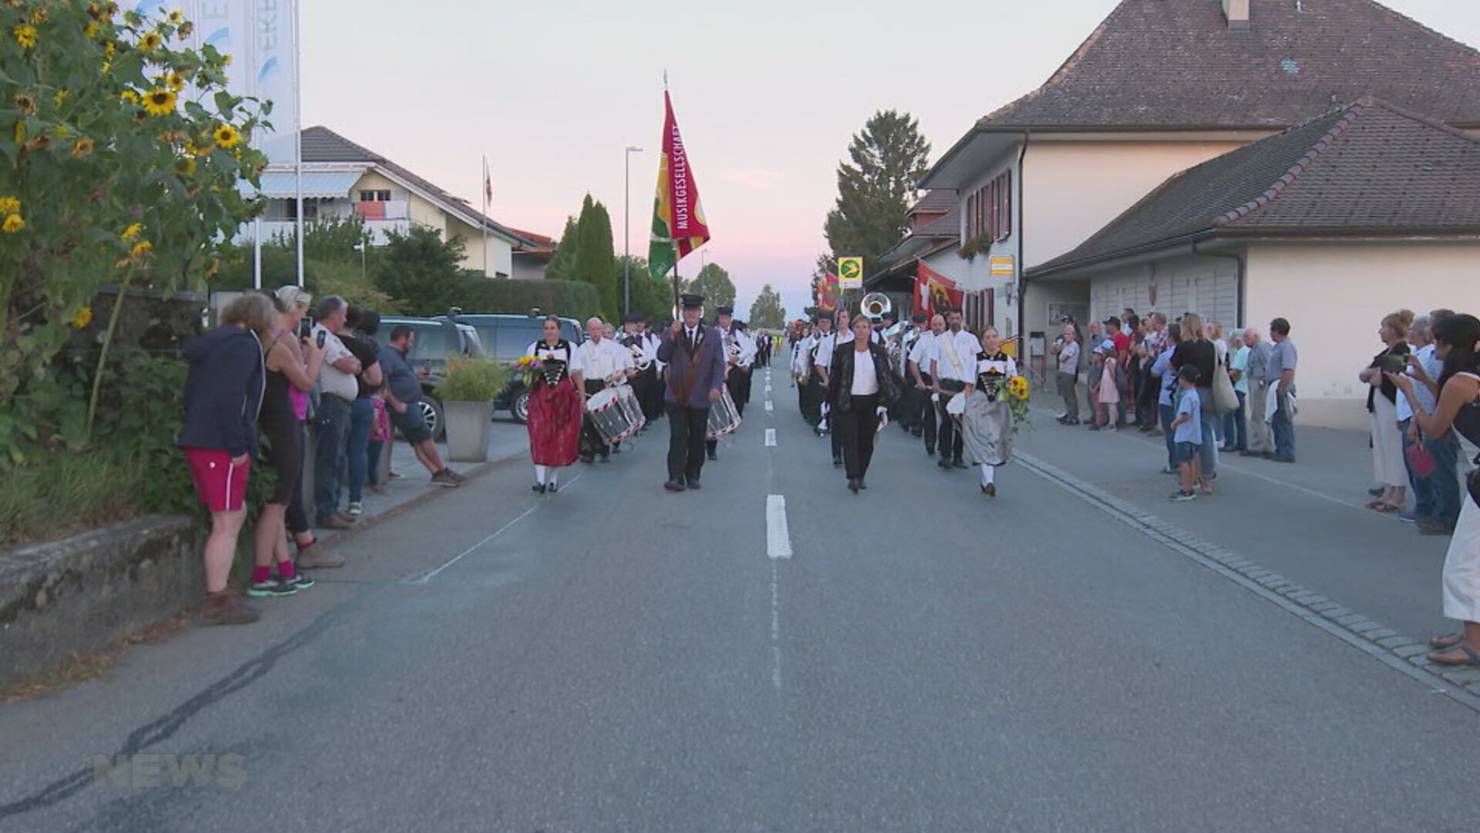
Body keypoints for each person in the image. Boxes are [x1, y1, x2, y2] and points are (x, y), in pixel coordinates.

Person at [177, 292, 276, 625]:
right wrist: (237, 445)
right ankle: (217, 599)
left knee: (233, 513)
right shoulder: (244, 346)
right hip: (221, 443)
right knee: (227, 520)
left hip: (201, 437)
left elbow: (194, 394)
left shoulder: (215, 342)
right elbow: (231, 397)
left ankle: (220, 592)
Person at [1387, 313, 1480, 666]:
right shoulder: (1467, 379)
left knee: (1464, 564)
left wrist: (1411, 394)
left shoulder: (1459, 382)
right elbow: (1453, 400)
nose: (1430, 344)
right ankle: (1472, 632)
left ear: (1448, 344)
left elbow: (1437, 426)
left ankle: (1474, 644)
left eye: (1436, 339)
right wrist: (1423, 378)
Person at [250, 293, 328, 597]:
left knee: (277, 505)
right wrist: (316, 357)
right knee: (276, 506)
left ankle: (285, 569)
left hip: (263, 425)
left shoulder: (253, 345)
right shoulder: (279, 348)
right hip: (283, 427)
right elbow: (306, 384)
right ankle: (261, 574)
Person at [270, 286, 323, 561]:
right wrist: (316, 357)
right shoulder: (286, 339)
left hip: (278, 415)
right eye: (305, 309)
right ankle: (306, 543)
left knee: (286, 487)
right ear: (297, 308)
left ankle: (297, 540)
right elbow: (305, 382)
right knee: (292, 484)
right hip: (292, 414)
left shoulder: (271, 335)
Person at [1399, 310, 1462, 535]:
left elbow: (1440, 392)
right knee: (1431, 468)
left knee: (1442, 471)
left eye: (1429, 325)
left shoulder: (1448, 361)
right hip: (1427, 416)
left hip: (1440, 419)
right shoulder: (1432, 355)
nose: (1425, 330)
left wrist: (1418, 381)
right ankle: (1435, 511)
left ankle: (1447, 517)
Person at [377, 326, 464, 487]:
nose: (411, 344)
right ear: (401, 338)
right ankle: (442, 469)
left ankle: (436, 472)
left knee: (417, 442)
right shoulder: (387, 355)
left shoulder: (400, 356)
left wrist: (416, 376)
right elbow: (382, 382)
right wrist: (396, 404)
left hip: (411, 403)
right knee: (425, 437)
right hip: (404, 405)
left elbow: (400, 375)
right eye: (410, 341)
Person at [658, 294, 726, 491]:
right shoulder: (672, 332)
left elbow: (718, 364)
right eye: (688, 311)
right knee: (678, 437)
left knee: (697, 438)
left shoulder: (712, 335)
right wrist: (671, 336)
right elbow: (662, 356)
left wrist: (716, 386)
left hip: (701, 396)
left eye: (694, 311)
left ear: (700, 313)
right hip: (676, 395)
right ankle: (675, 477)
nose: (691, 314)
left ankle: (693, 474)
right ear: (683, 312)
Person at [827, 314, 896, 493]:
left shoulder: (878, 351)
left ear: (870, 330)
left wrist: (886, 401)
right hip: (848, 401)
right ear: (853, 328)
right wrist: (830, 400)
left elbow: (886, 377)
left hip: (871, 401)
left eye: (865, 327)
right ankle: (853, 476)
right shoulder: (843, 350)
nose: (861, 330)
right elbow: (835, 376)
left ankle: (861, 473)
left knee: (866, 441)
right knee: (850, 438)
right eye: (858, 327)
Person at [310, 296, 363, 529]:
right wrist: (351, 362)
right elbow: (348, 365)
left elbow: (355, 362)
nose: (345, 318)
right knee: (329, 458)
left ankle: (333, 506)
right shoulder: (320, 336)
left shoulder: (333, 338)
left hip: (342, 405)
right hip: (331, 403)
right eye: (343, 313)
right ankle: (325, 510)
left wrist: (352, 361)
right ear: (332, 314)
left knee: (338, 458)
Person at [1360, 309, 1414, 513]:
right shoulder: (1385, 354)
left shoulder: (1401, 351)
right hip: (1379, 405)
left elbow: (1379, 379)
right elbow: (1365, 374)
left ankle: (1397, 494)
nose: (1380, 331)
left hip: (1391, 405)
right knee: (1383, 448)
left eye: (1384, 327)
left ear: (1393, 330)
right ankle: (1388, 489)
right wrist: (1373, 373)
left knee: (1393, 449)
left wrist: (1373, 373)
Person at [525, 315, 586, 493]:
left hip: (563, 395)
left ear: (559, 330)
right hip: (541, 395)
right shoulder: (534, 348)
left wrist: (582, 396)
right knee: (539, 434)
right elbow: (529, 373)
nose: (549, 332)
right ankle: (540, 480)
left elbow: (576, 373)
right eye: (546, 328)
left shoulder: (570, 348)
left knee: (560, 436)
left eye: (552, 328)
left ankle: (552, 479)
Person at [961, 327, 1018, 496]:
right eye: (987, 337)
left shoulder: (1007, 361)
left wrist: (1014, 395)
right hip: (980, 403)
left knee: (995, 440)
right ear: (983, 341)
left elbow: (1014, 383)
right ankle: (989, 481)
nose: (991, 340)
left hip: (1000, 405)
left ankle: (987, 480)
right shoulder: (976, 360)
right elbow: (969, 386)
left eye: (994, 336)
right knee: (984, 439)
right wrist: (966, 407)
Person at [341, 307, 384, 519]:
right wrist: (363, 381)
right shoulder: (366, 346)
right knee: (358, 451)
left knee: (337, 452)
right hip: (362, 400)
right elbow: (377, 378)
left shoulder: (331, 342)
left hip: (339, 402)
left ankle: (334, 499)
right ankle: (355, 500)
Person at [1170, 313, 1219, 485]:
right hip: (1207, 391)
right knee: (1205, 434)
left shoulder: (1184, 346)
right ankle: (1206, 474)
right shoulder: (1210, 346)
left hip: (1189, 391)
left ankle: (1189, 476)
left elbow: (1172, 365)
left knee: (1186, 434)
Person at [930, 308, 981, 470]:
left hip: (964, 384)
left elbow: (977, 363)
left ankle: (958, 456)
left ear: (962, 319)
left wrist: (974, 385)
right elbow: (933, 363)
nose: (955, 321)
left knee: (961, 421)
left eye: (957, 318)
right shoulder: (940, 340)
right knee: (946, 420)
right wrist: (935, 383)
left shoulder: (971, 339)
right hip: (946, 383)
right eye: (952, 318)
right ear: (948, 320)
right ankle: (945, 455)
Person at [577, 316, 632, 463]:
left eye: (598, 329)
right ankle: (588, 451)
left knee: (604, 418)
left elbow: (619, 368)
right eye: (592, 329)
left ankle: (604, 449)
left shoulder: (613, 347)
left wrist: (615, 377)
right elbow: (578, 371)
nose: (596, 332)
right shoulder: (582, 349)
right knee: (588, 420)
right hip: (588, 385)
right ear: (588, 331)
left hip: (605, 384)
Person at [909, 313, 944, 455]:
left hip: (946, 381)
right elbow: (913, 361)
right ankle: (930, 442)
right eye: (935, 324)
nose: (938, 328)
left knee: (947, 416)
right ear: (930, 325)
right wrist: (919, 380)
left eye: (940, 325)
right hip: (928, 379)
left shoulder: (951, 340)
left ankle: (944, 447)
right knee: (929, 413)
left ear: (945, 325)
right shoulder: (923, 340)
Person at [1169, 366, 1205, 502]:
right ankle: (1191, 485)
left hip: (1185, 434)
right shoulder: (1194, 394)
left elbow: (1186, 415)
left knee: (1183, 462)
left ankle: (1186, 489)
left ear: (1183, 379)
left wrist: (1175, 423)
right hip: (1194, 434)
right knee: (1191, 460)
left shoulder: (1187, 397)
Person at [1152, 323, 1183, 474]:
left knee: (1170, 430)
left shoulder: (1166, 355)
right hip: (1183, 395)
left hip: (1167, 396)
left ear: (1171, 337)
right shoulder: (1186, 353)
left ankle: (1174, 462)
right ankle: (1185, 462)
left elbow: (1155, 372)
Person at [1267, 317, 1299, 462]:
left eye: (1272, 330)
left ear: (1278, 331)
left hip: (1281, 386)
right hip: (1274, 385)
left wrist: (1281, 387)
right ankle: (1279, 448)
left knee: (1283, 420)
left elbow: (1288, 369)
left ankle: (1287, 451)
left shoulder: (1287, 347)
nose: (1270, 334)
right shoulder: (1277, 347)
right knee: (1276, 420)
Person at [1241, 327, 1274, 458]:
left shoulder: (1262, 347)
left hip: (1259, 382)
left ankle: (1257, 446)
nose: (1244, 340)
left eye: (1246, 337)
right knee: (1259, 414)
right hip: (1253, 379)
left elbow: (1269, 364)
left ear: (1255, 336)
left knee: (1257, 414)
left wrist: (1264, 380)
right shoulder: (1253, 349)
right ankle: (1267, 446)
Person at [1223, 331, 1249, 453]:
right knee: (1240, 417)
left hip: (1238, 387)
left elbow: (1236, 371)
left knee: (1229, 415)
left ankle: (1230, 442)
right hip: (1243, 387)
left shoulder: (1241, 352)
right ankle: (1241, 443)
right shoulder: (1246, 351)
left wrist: (1225, 378)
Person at [1052, 323, 1081, 425]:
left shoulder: (1074, 345)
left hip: (1069, 373)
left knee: (1070, 396)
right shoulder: (1065, 345)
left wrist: (1061, 353)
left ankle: (1074, 417)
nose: (1067, 336)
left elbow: (1063, 358)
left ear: (1074, 335)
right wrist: (1057, 346)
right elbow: (1054, 351)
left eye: (1069, 334)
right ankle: (1068, 413)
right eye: (1065, 334)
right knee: (1065, 395)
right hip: (1062, 371)